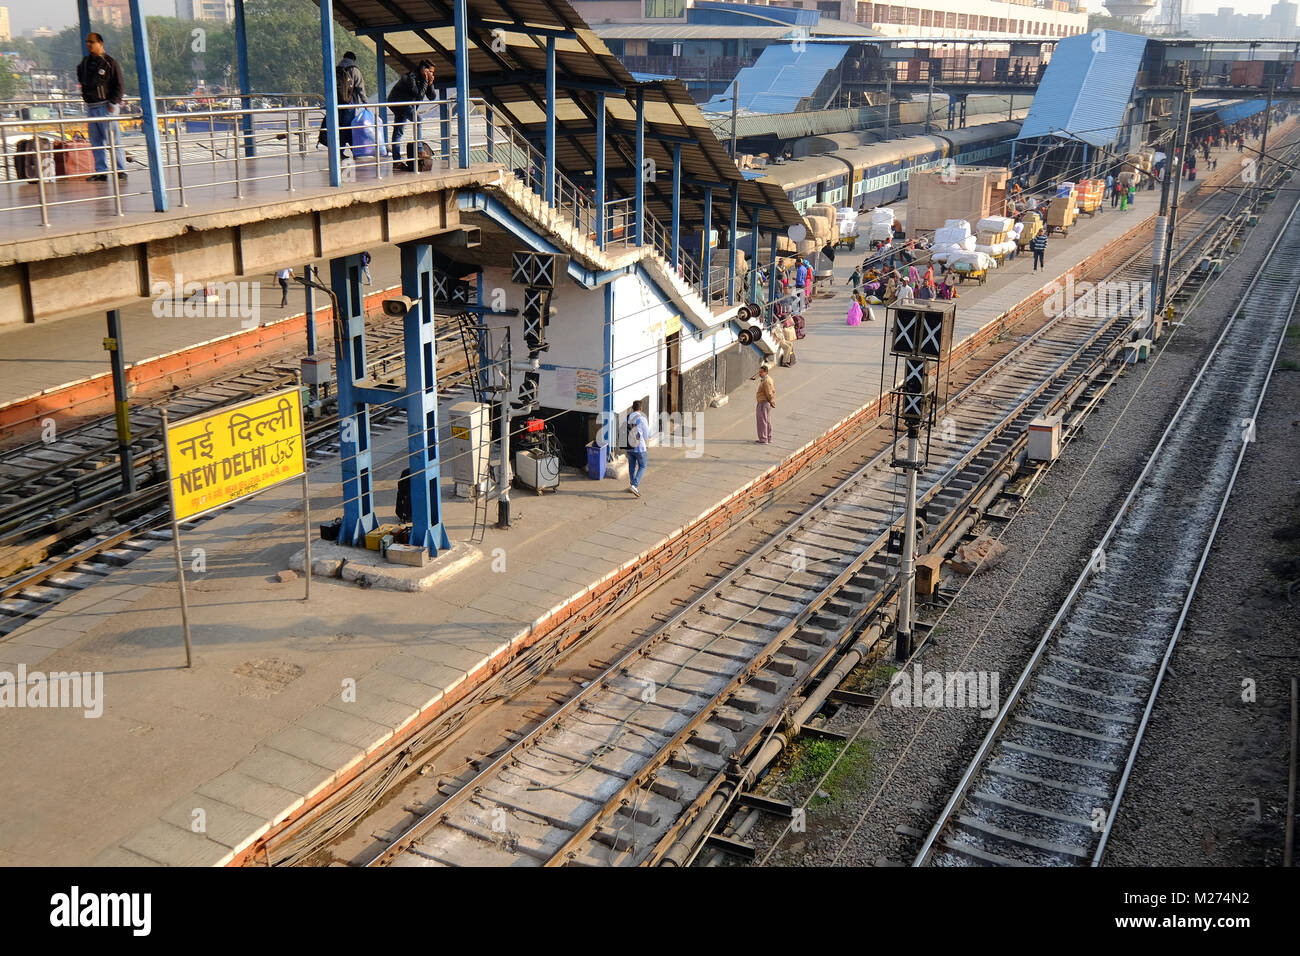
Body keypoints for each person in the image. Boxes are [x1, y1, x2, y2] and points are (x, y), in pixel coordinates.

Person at [76, 33, 127, 181]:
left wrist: (112, 103)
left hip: (106, 106)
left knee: (113, 140)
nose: (89, 44)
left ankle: (121, 170)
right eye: (87, 42)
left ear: (100, 43)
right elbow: (81, 77)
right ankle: (101, 171)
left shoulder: (110, 63)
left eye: (91, 42)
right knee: (96, 141)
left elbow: (119, 85)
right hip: (91, 106)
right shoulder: (85, 63)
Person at [386, 59, 436, 171]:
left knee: (398, 131)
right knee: (418, 120)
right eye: (430, 71)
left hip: (406, 105)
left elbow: (432, 97)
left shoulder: (425, 80)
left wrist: (430, 84)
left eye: (433, 72)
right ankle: (419, 150)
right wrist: (425, 81)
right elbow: (417, 94)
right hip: (398, 102)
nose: (432, 74)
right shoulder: (411, 77)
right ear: (424, 69)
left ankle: (396, 161)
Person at [335, 51, 366, 152]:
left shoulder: (337, 69)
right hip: (350, 103)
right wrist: (365, 102)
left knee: (341, 127)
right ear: (353, 59)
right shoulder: (354, 69)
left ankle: (342, 150)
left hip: (338, 103)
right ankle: (349, 151)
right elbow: (360, 87)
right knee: (347, 127)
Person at [625, 400, 649, 497]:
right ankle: (634, 485)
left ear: (632, 408)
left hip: (629, 447)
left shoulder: (627, 417)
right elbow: (646, 434)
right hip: (640, 447)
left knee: (631, 466)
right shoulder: (642, 418)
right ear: (641, 408)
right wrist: (647, 442)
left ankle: (631, 484)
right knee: (642, 466)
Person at [755, 365, 775, 444]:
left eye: (761, 372)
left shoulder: (766, 381)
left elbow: (769, 393)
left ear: (766, 372)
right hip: (765, 402)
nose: (759, 374)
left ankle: (763, 439)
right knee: (767, 420)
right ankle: (768, 437)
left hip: (764, 402)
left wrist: (771, 401)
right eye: (759, 372)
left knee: (762, 421)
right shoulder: (767, 379)